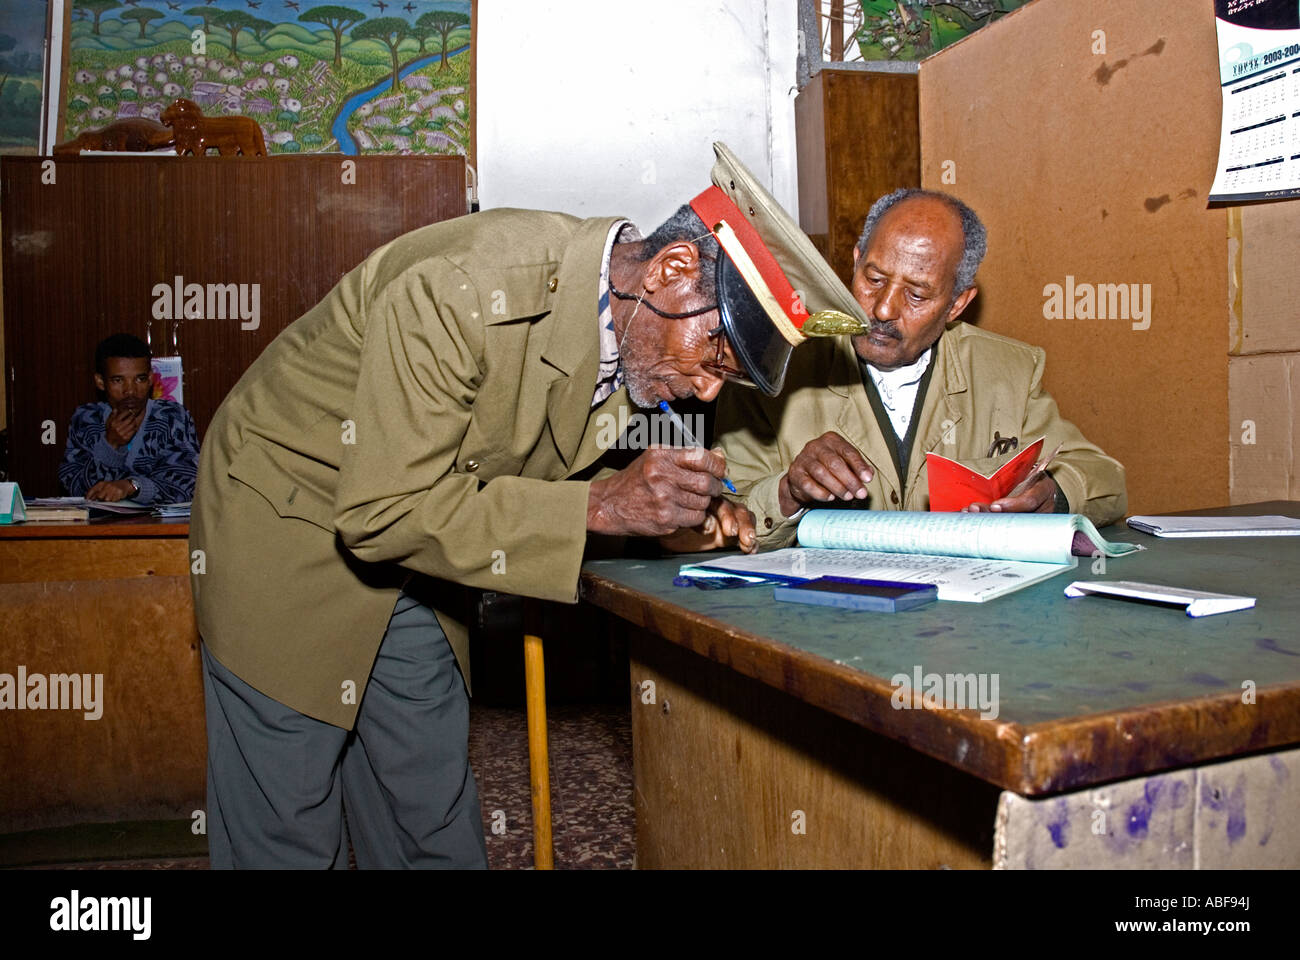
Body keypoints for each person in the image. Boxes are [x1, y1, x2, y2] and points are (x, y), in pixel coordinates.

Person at [189, 143, 862, 868]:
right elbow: (381, 509)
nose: (705, 393)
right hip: (291, 518)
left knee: (428, 801)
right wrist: (604, 505)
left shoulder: (627, 335)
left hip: (419, 551)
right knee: (286, 823)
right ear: (672, 272)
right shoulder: (463, 289)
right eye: (715, 359)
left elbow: (515, 471)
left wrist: (667, 519)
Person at [713, 188, 1127, 550]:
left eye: (917, 294)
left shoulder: (1007, 370)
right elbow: (721, 513)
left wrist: (1053, 496)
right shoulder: (775, 363)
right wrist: (789, 492)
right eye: (873, 279)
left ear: (958, 304)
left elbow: (1105, 479)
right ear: (856, 261)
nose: (883, 309)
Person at [58, 333, 199, 504]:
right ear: (100, 382)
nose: (130, 391)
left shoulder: (171, 417)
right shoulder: (87, 420)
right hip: (100, 528)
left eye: (139, 379)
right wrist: (110, 446)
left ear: (150, 379)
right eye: (118, 380)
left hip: (159, 528)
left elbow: (186, 485)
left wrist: (130, 486)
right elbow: (76, 488)